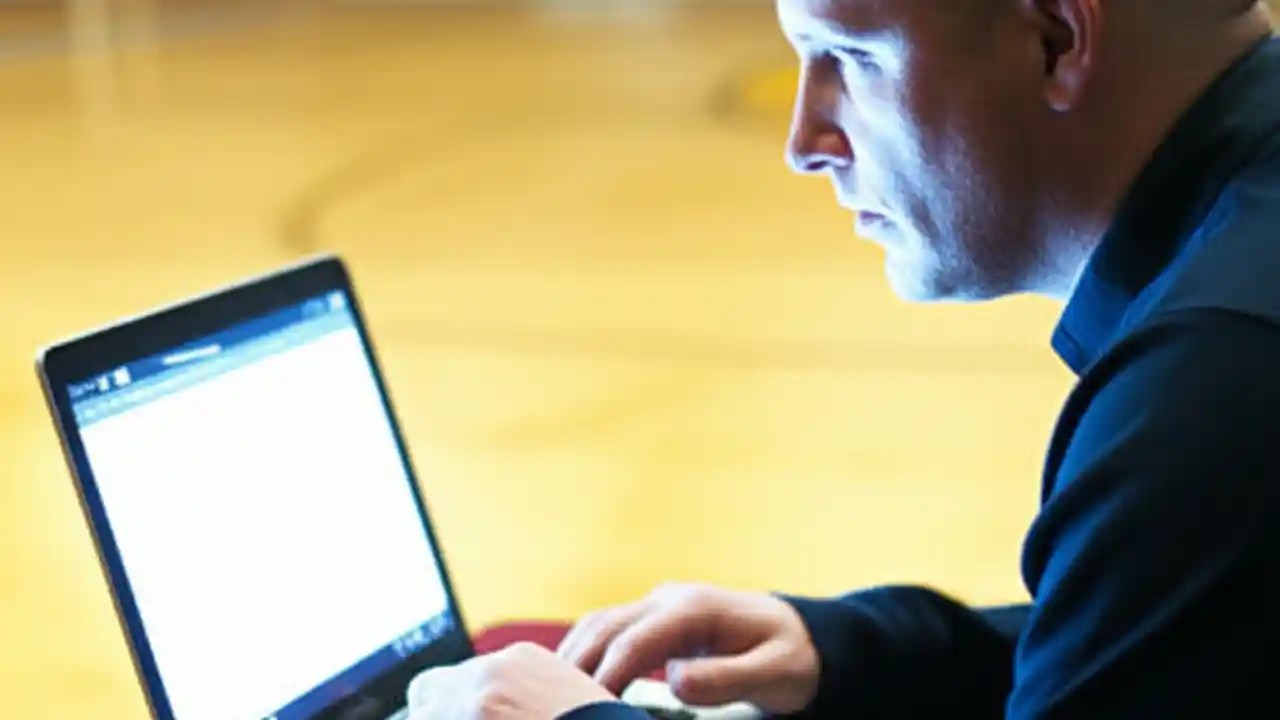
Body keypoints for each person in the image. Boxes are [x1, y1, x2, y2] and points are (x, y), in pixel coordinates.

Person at [406, 0, 1280, 717]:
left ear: (1055, 38)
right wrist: (858, 654)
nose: (805, 137)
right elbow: (1180, 653)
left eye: (848, 57)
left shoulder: (1211, 383)